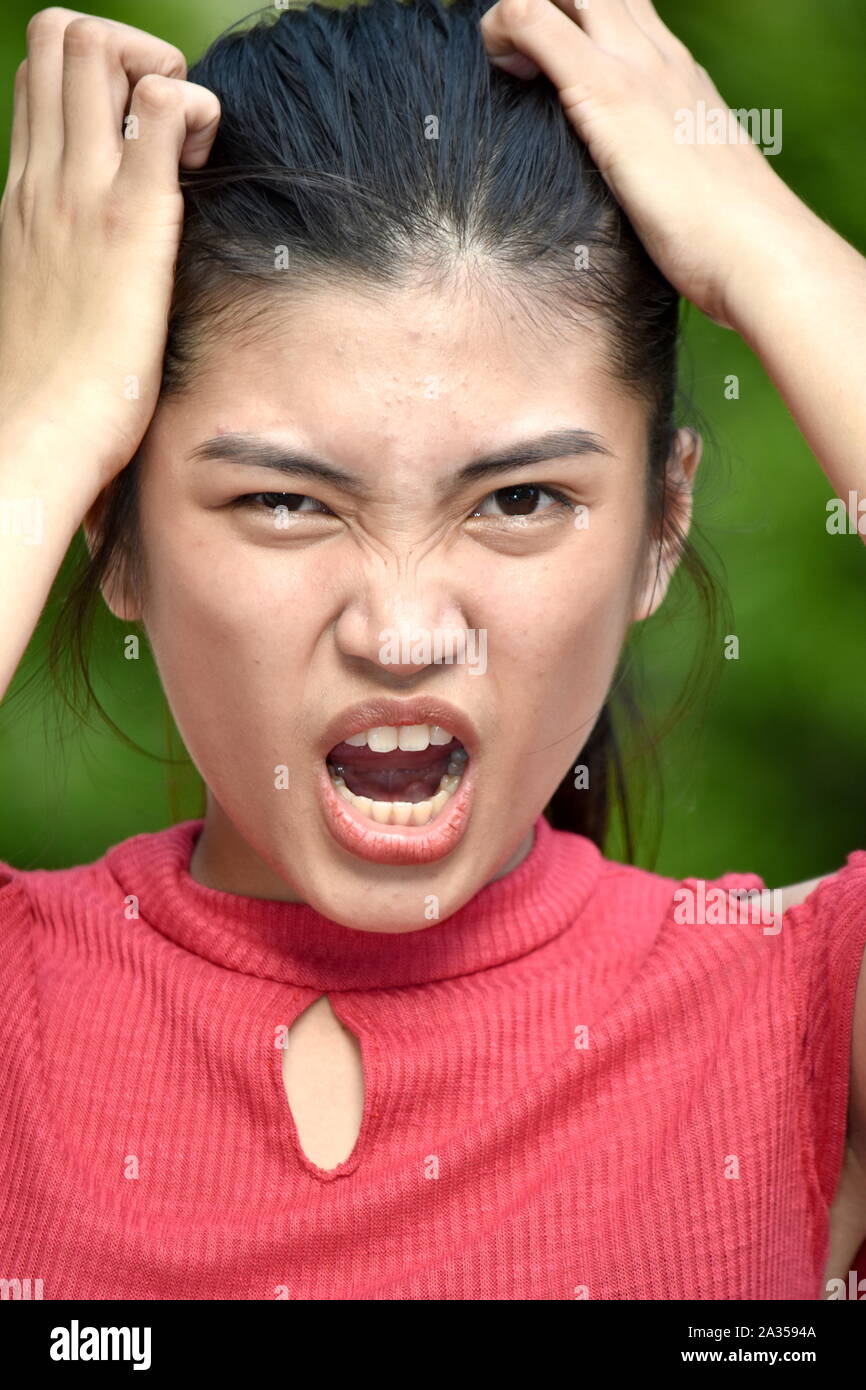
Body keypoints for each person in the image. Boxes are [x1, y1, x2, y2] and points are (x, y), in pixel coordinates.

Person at [1, 0, 865, 1301]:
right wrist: (48, 418)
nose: (402, 633)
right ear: (107, 534)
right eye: (285, 501)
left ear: (655, 529)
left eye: (519, 500)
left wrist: (770, 251)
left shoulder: (791, 1020)